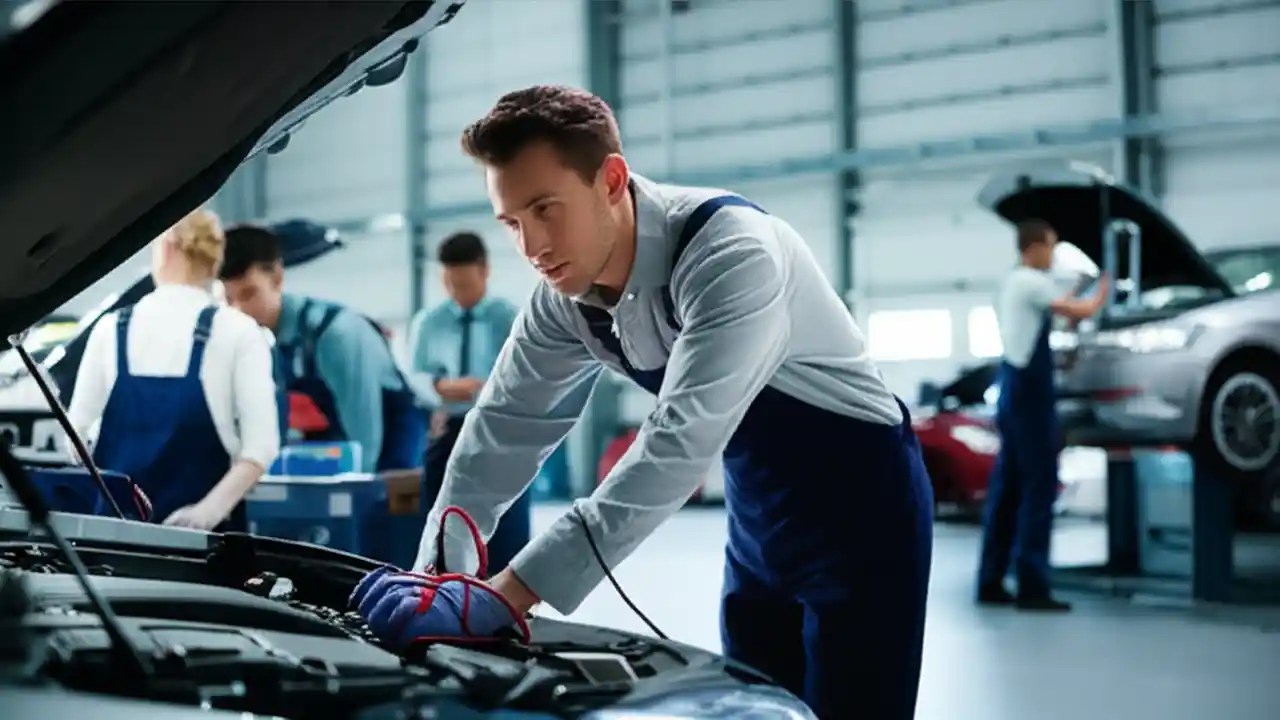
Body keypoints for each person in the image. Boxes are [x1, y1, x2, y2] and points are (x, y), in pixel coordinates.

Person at [351, 85, 934, 719]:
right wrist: (439, 571)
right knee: (762, 705)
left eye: (547, 209)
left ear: (611, 179)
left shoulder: (733, 254)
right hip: (758, 514)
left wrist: (511, 594)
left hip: (862, 506)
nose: (532, 245)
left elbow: (677, 443)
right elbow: (503, 427)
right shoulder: (562, 298)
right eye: (513, 222)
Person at [67, 208, 280, 531]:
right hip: (203, 546)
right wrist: (206, 514)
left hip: (113, 540)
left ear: (165, 247)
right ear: (215, 262)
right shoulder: (240, 331)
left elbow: (75, 440)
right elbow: (261, 448)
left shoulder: (111, 328)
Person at [976, 219, 1109, 612]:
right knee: (1039, 487)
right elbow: (1080, 311)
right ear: (1033, 248)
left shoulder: (1015, 283)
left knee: (1009, 488)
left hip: (1013, 390)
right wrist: (1106, 283)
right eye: (1051, 247)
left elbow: (1061, 313)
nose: (1052, 255)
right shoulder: (1029, 282)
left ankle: (992, 581)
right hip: (1028, 397)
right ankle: (1033, 586)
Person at [219, 224, 425, 474]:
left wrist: (354, 494)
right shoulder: (260, 340)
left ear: (277, 278)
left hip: (390, 442)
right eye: (229, 300)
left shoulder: (336, 335)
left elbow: (364, 437)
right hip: (335, 439)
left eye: (249, 294)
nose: (239, 310)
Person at [404, 231, 529, 574]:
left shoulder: (511, 318)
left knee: (507, 527)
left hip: (501, 432)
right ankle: (442, 593)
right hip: (450, 429)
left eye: (464, 283)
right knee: (443, 524)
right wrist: (440, 386)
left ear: (484, 270)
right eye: (450, 284)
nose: (457, 293)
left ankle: (507, 599)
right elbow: (415, 377)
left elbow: (528, 375)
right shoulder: (429, 322)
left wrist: (485, 388)